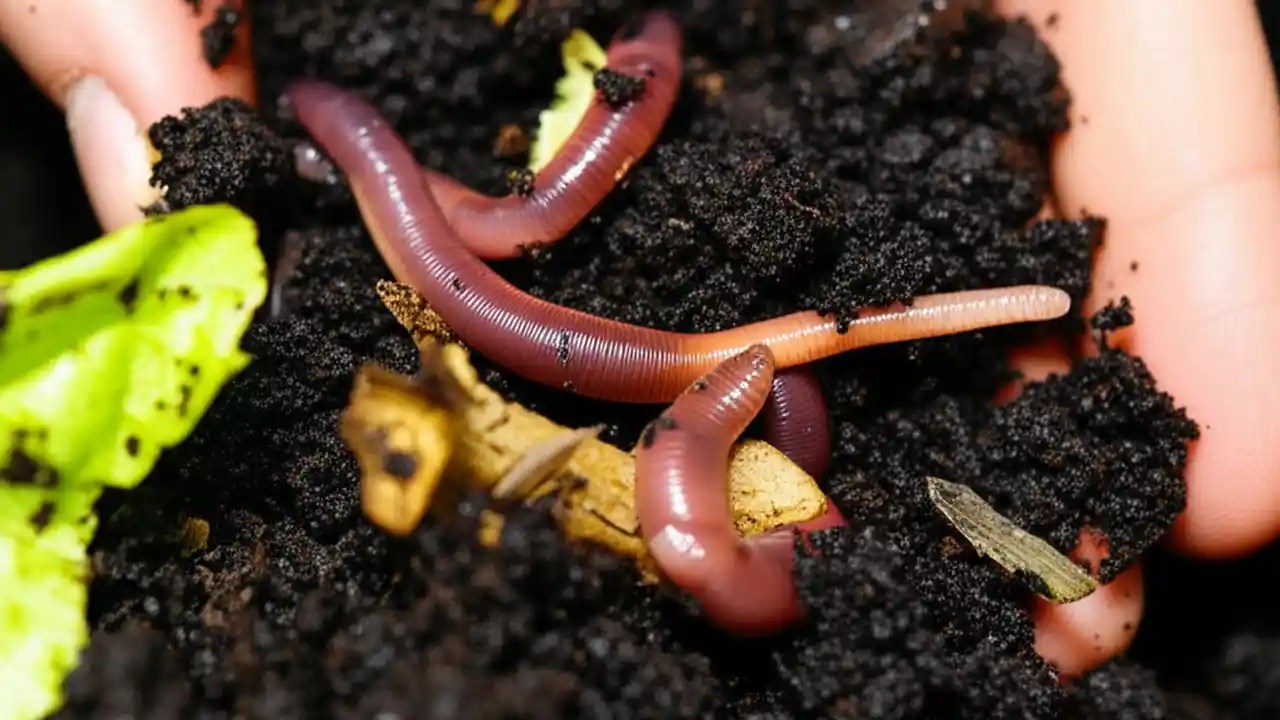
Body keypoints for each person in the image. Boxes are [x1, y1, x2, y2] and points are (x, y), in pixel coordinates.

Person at [3, 0, 1276, 679]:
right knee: (503, 232)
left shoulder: (729, 407)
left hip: (696, 410)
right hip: (657, 368)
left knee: (517, 242)